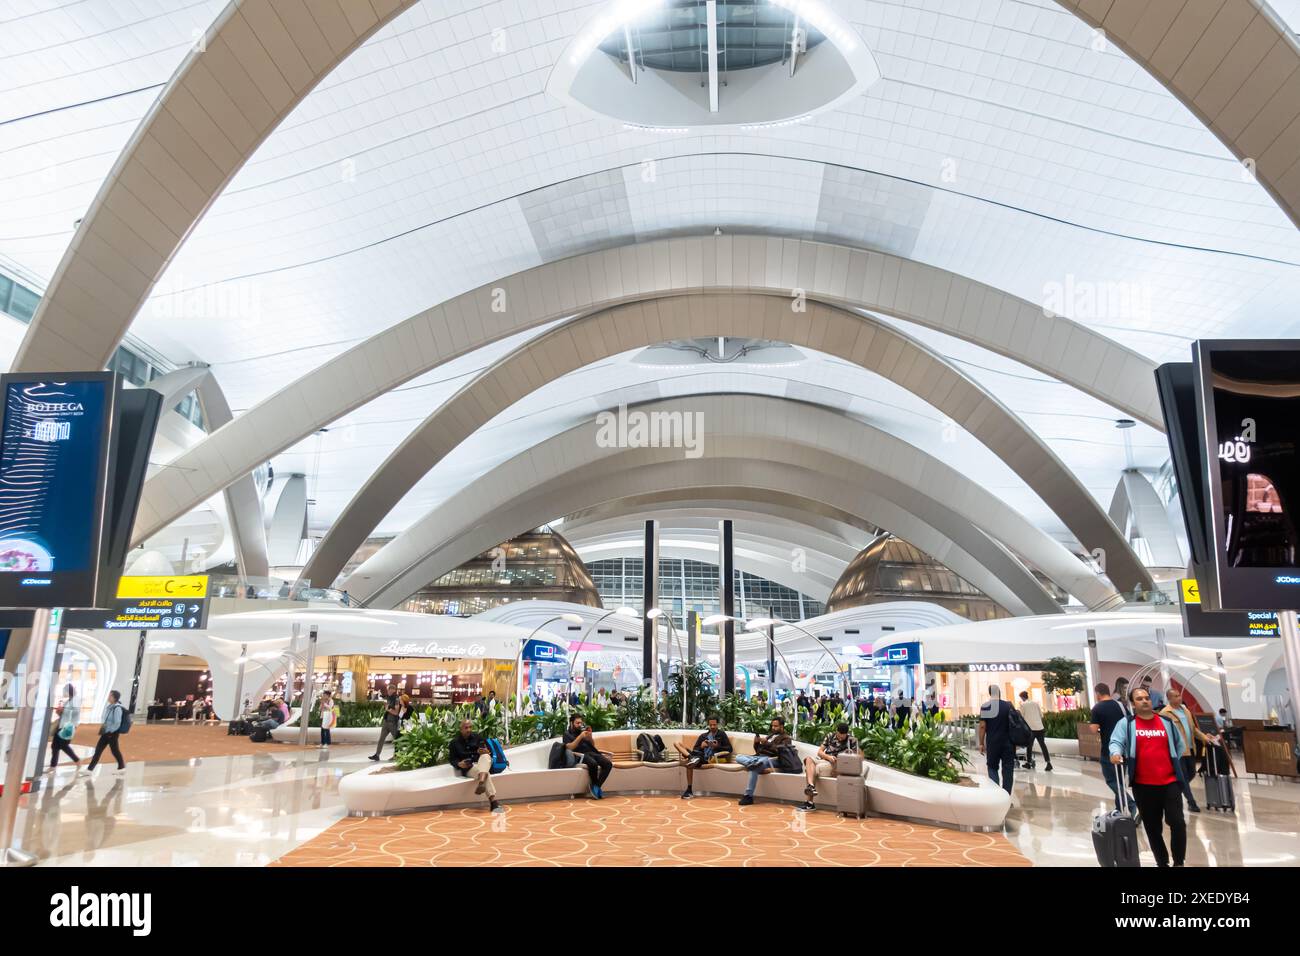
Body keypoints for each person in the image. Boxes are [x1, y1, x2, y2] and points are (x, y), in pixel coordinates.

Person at [1109, 687, 1188, 867]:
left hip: (1170, 782)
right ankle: (1162, 862)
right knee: (1153, 827)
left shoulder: (1166, 722)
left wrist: (1172, 760)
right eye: (1139, 699)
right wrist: (1116, 753)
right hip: (1143, 785)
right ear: (1132, 704)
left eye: (1147, 698)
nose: (1145, 701)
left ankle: (1179, 862)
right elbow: (1116, 741)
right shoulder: (1127, 724)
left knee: (1177, 822)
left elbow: (1179, 745)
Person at [1160, 688, 1219, 814]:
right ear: (1169, 698)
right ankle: (1191, 802)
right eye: (1175, 696)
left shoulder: (1185, 710)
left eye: (1179, 695)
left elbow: (1193, 729)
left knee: (1191, 773)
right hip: (1178, 751)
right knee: (1182, 777)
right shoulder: (1165, 713)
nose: (1179, 698)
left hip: (1191, 748)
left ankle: (1174, 791)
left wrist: (1204, 737)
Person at [1089, 682, 1134, 813]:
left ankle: (1132, 805)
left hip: (1109, 750)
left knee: (1111, 780)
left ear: (1098, 693)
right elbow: (1129, 721)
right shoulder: (1120, 705)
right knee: (1119, 781)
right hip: (1123, 749)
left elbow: (1093, 729)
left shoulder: (1097, 708)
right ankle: (1119, 809)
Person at [734, 717, 792, 806]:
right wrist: (756, 743)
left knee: (754, 768)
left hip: (772, 759)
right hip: (759, 758)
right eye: (772, 726)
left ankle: (748, 796)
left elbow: (780, 751)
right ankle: (752, 763)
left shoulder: (786, 738)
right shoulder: (770, 736)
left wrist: (767, 743)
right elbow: (759, 750)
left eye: (776, 726)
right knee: (738, 757)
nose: (773, 728)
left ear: (782, 726)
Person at [449, 718, 503, 813]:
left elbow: (488, 752)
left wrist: (484, 751)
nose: (469, 730)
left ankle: (481, 782)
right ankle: (493, 802)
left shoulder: (478, 738)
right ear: (461, 729)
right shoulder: (454, 743)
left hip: (482, 762)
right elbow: (452, 759)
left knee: (485, 757)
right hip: (469, 767)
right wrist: (459, 764)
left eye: (470, 727)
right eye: (466, 728)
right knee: (484, 773)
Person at [801, 722, 859, 810]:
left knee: (810, 770)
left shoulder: (852, 741)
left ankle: (809, 802)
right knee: (808, 759)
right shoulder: (830, 736)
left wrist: (839, 763)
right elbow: (820, 752)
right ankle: (811, 786)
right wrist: (828, 757)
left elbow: (854, 759)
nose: (840, 738)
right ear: (836, 731)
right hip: (825, 759)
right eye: (839, 736)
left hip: (836, 765)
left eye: (842, 737)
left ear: (846, 734)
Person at [675, 715, 732, 799]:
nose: (712, 727)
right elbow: (695, 749)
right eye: (711, 725)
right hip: (698, 754)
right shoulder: (703, 736)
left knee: (690, 764)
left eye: (714, 725)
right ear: (708, 725)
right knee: (676, 743)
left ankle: (689, 790)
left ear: (717, 724)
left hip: (707, 758)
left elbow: (729, 749)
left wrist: (717, 747)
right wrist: (701, 746)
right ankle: (691, 757)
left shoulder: (721, 734)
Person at [563, 714, 613, 798]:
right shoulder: (567, 734)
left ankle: (596, 786)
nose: (580, 725)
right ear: (571, 723)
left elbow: (592, 745)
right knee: (593, 764)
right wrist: (580, 737)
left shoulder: (583, 731)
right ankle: (596, 787)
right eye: (577, 723)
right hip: (580, 755)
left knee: (608, 764)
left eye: (580, 723)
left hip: (592, 752)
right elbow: (569, 747)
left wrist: (590, 737)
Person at [977, 685, 1014, 794]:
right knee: (1008, 769)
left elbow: (982, 726)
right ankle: (1006, 795)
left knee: (992, 767)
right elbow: (1014, 724)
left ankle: (997, 795)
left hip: (993, 743)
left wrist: (981, 743)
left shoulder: (985, 706)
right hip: (1008, 742)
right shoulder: (1008, 705)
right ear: (999, 692)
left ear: (990, 693)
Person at [84, 690, 127, 775]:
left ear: (114, 698)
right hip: (106, 733)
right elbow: (106, 720)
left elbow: (117, 722)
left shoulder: (117, 708)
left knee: (114, 750)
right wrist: (103, 730)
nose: (108, 697)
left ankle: (121, 767)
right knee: (98, 750)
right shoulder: (110, 707)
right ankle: (89, 770)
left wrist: (111, 732)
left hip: (112, 733)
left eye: (110, 696)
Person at [47, 683, 81, 772]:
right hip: (61, 725)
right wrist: (60, 711)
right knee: (55, 746)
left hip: (69, 726)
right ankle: (53, 766)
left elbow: (76, 712)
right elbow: (65, 713)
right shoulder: (68, 701)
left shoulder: (75, 700)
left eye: (64, 691)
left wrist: (64, 710)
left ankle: (77, 760)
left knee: (64, 745)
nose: (63, 693)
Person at [1017, 691, 1052, 771]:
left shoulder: (1023, 705)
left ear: (1022, 697)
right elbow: (1041, 715)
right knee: (1043, 745)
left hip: (1031, 729)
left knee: (1029, 746)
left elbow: (1021, 718)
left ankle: (1028, 763)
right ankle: (1048, 763)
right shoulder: (1036, 703)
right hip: (1040, 728)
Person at [369, 683, 402, 761]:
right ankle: (377, 755)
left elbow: (396, 712)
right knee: (381, 739)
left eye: (389, 689)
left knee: (397, 739)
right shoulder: (389, 698)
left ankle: (398, 755)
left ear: (393, 690)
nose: (387, 691)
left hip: (393, 722)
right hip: (386, 721)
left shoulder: (396, 699)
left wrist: (388, 709)